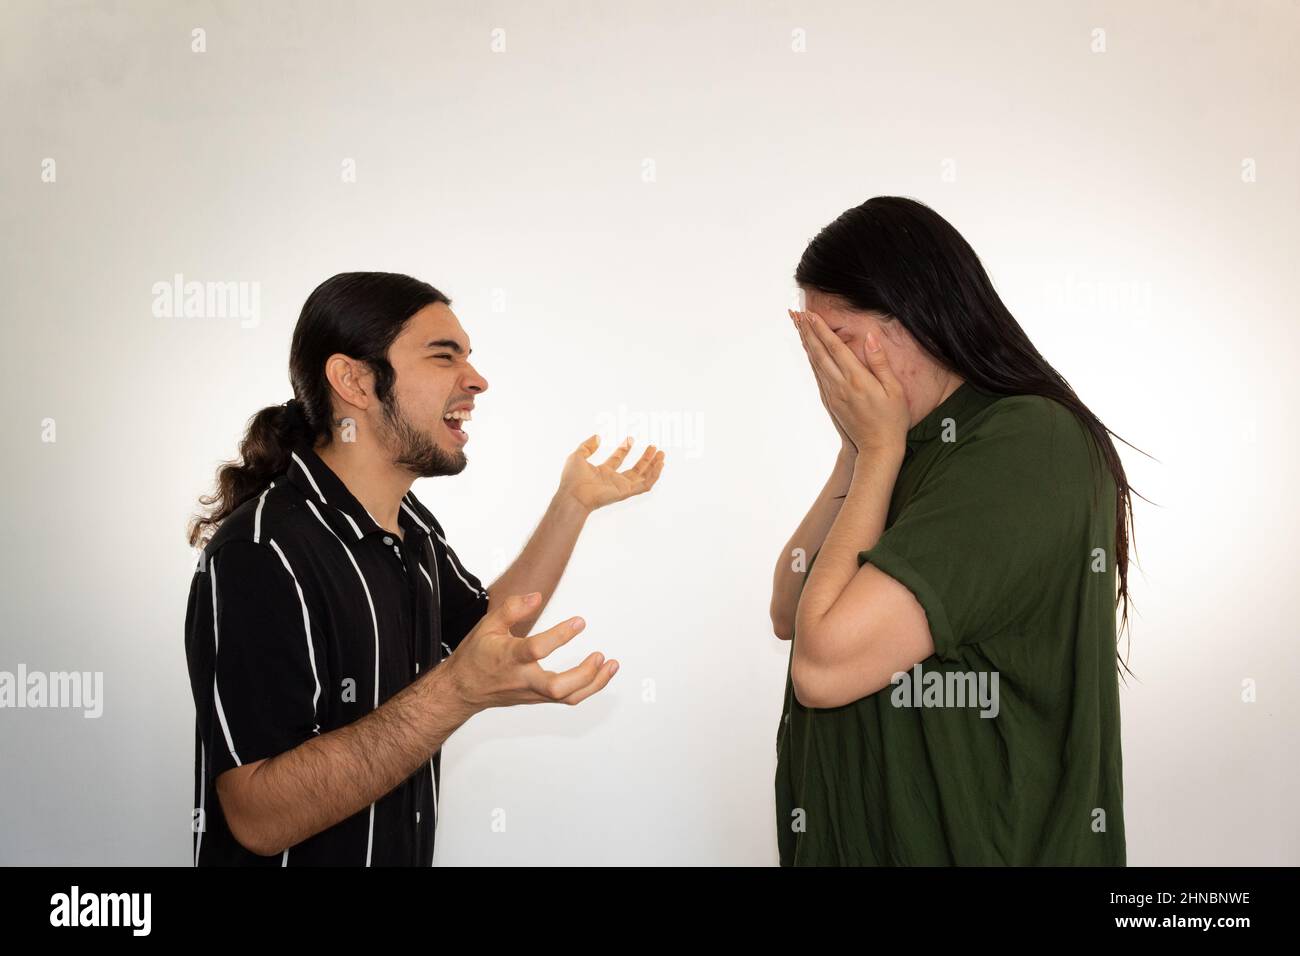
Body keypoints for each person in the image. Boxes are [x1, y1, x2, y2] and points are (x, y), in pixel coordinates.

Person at [184, 271, 665, 865]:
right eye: (444, 356)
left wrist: (572, 504)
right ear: (354, 380)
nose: (477, 379)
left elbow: (486, 635)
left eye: (468, 356)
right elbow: (258, 816)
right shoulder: (263, 551)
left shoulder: (410, 526)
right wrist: (456, 693)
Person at [771, 197, 1138, 865]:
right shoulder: (901, 445)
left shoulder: (1026, 442)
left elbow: (823, 667)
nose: (829, 373)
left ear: (913, 319)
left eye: (838, 342)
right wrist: (857, 452)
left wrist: (876, 451)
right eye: (814, 350)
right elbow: (789, 608)